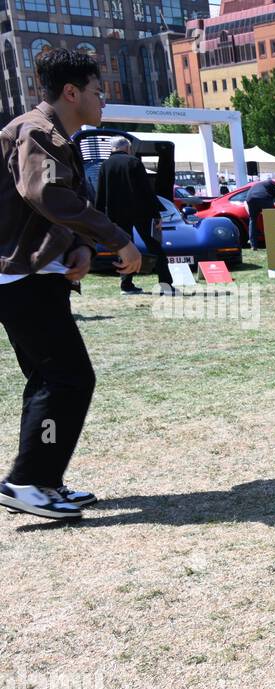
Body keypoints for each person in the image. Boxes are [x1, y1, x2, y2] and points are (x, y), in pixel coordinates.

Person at [0, 48, 141, 521]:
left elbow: (50, 208)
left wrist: (79, 246)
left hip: (35, 274)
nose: (103, 101)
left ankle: (42, 481)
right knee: (66, 377)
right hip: (22, 278)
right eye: (99, 92)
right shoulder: (37, 132)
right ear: (71, 91)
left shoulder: (57, 135)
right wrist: (117, 238)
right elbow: (47, 195)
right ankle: (27, 482)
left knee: (51, 379)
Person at [94, 136, 172, 295]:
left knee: (125, 247)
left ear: (112, 149)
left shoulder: (105, 165)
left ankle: (126, 285)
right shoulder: (134, 162)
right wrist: (156, 215)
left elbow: (100, 193)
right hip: (141, 212)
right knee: (155, 246)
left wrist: (99, 214)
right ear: (128, 148)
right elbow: (147, 191)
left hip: (117, 214)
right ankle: (165, 285)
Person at [243, 176, 275, 249]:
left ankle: (253, 245)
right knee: (273, 221)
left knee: (253, 221)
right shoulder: (272, 184)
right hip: (263, 199)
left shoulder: (258, 184)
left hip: (250, 199)